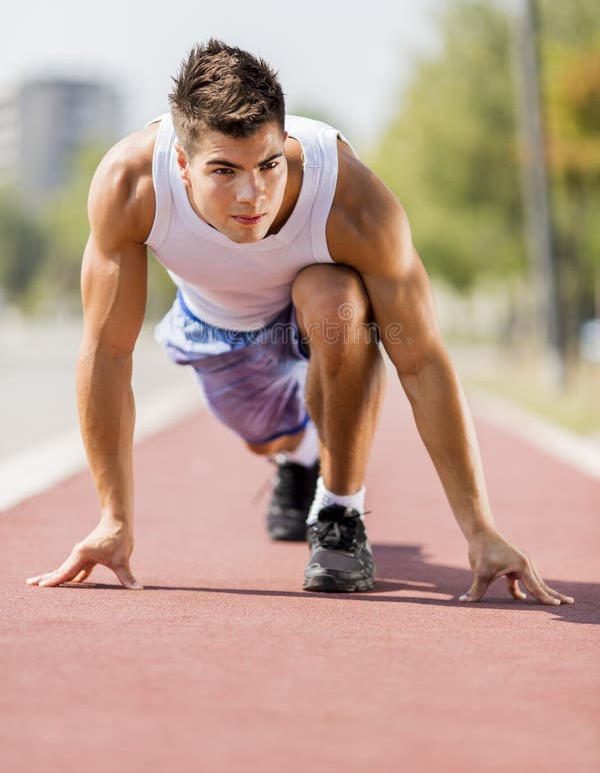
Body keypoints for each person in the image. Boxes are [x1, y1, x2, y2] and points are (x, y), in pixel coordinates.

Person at [27, 40, 573, 603]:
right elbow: (108, 351)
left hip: (321, 317)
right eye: (224, 171)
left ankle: (339, 514)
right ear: (183, 166)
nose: (253, 194)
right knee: (277, 437)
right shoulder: (131, 184)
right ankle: (300, 455)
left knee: (334, 296)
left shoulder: (351, 200)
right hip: (220, 328)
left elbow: (421, 359)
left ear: (285, 142)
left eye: (268, 165)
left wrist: (480, 529)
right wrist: (113, 519)